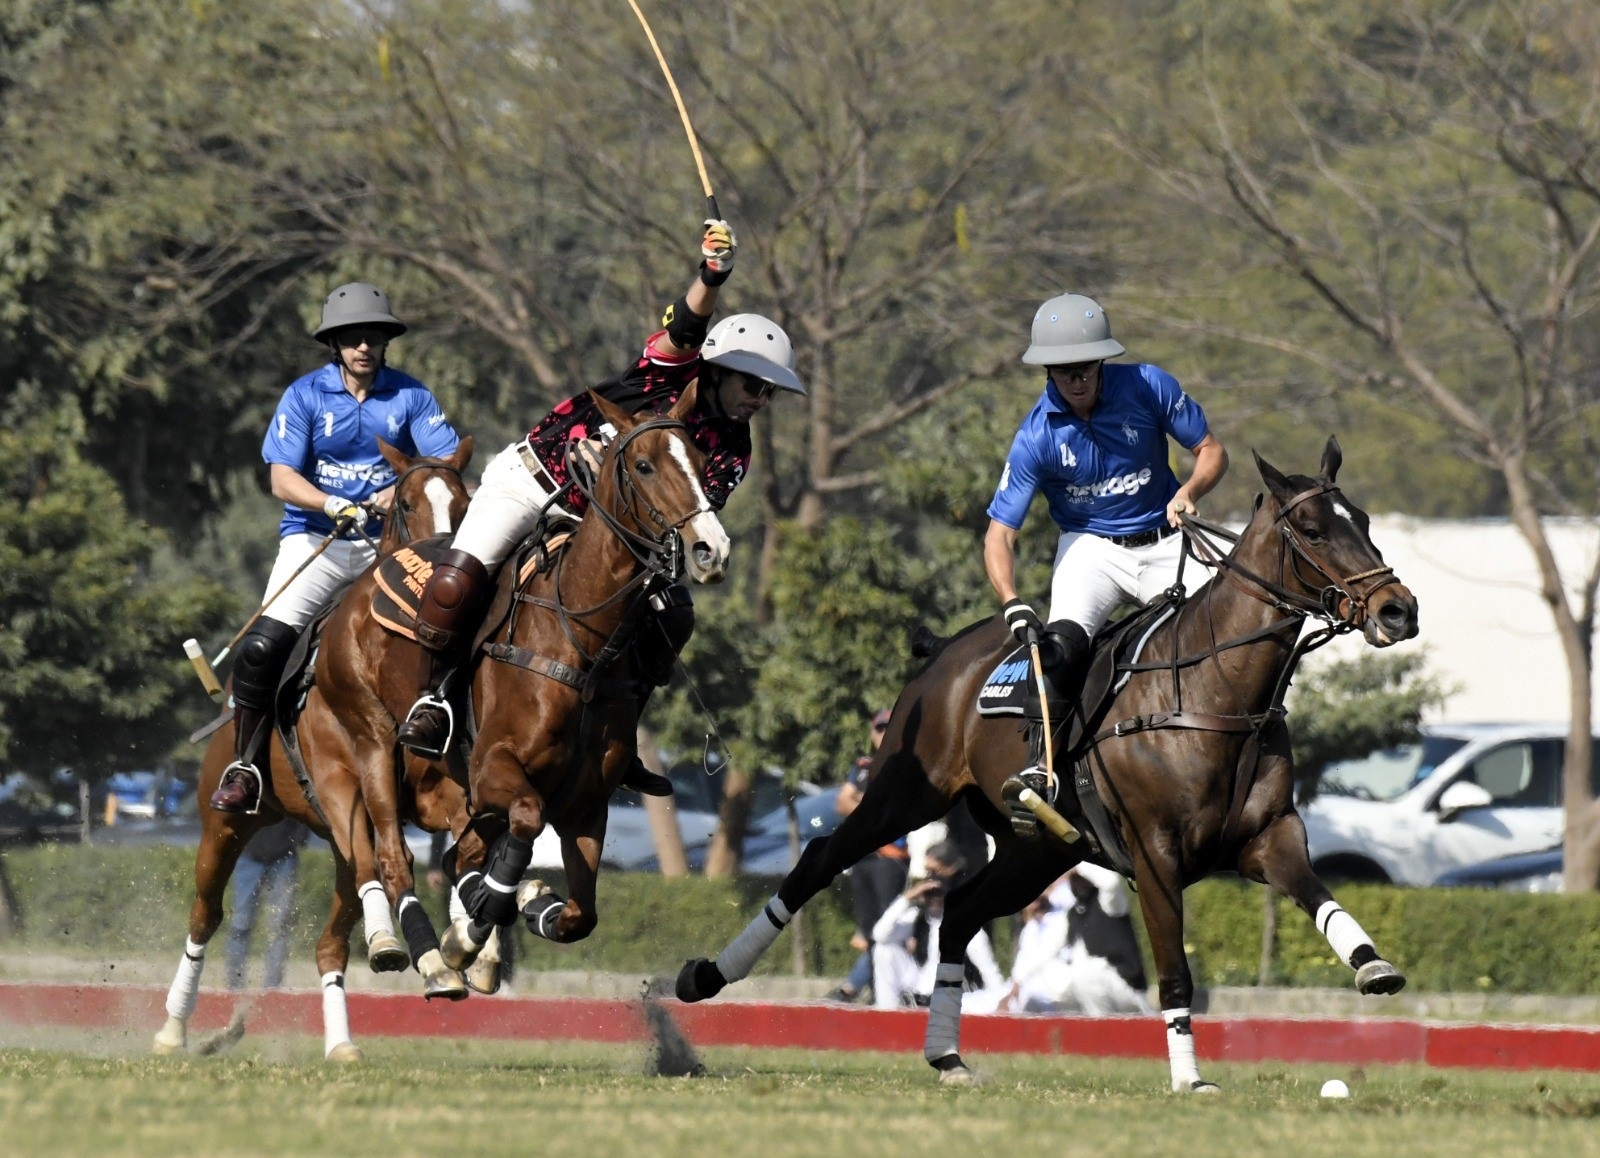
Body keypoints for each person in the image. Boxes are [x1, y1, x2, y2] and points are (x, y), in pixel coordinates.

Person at [394, 218, 806, 798]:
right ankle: (432, 699)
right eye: (753, 385)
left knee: (672, 616)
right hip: (533, 484)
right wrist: (713, 274)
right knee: (457, 582)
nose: (760, 400)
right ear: (718, 369)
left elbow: (692, 515)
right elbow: (685, 327)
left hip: (608, 532)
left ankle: (619, 736)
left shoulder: (734, 447)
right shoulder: (668, 373)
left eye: (769, 392)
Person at [210, 283, 462, 813]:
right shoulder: (304, 396)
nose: (363, 347)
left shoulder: (411, 397)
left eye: (372, 336)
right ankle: (246, 767)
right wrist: (332, 503)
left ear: (385, 341)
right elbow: (281, 479)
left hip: (388, 549)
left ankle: (462, 751)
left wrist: (397, 491)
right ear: (335, 345)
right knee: (259, 649)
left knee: (457, 628)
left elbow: (444, 468)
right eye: (351, 338)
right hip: (316, 541)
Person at [983, 293, 1228, 832]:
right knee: (1060, 650)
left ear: (1103, 361)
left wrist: (1190, 489)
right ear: (1048, 370)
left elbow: (1211, 450)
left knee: (1229, 634)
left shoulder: (1148, 386)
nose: (1075, 381)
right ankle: (1041, 773)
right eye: (1063, 371)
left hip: (1167, 536)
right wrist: (1012, 602)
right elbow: (1000, 533)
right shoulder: (1035, 437)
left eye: (1085, 368)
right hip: (1091, 550)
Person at [825, 708, 908, 1003]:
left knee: (888, 930)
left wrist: (862, 800)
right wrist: (872, 800)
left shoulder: (906, 764)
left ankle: (863, 989)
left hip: (891, 858)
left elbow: (896, 806)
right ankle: (871, 989)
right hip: (862, 858)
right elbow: (841, 803)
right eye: (879, 728)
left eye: (889, 728)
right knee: (870, 930)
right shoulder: (863, 765)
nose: (884, 733)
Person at [870, 841, 1003, 1010]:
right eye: (927, 873)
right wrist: (907, 897)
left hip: (955, 998)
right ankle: (886, 1014)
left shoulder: (965, 923)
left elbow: (990, 972)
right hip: (919, 989)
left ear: (950, 872)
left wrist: (1000, 1006)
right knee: (884, 950)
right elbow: (879, 935)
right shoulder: (919, 918)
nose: (930, 881)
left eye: (935, 873)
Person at [224, 818, 310, 991]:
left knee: (279, 927)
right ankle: (234, 988)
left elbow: (304, 804)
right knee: (240, 924)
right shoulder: (247, 789)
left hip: (284, 857)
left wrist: (298, 838)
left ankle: (272, 989)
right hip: (248, 855)